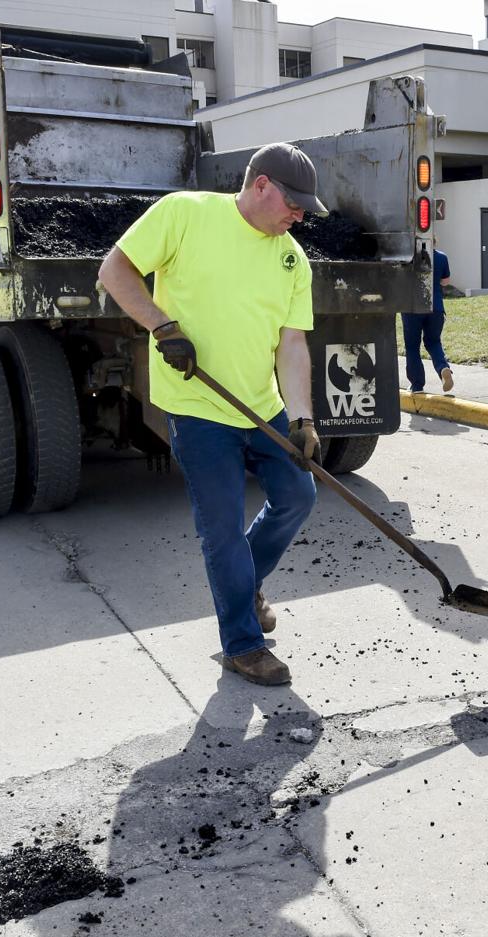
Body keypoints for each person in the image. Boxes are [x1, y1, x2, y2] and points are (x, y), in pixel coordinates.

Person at [98, 142, 326, 686]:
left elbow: (291, 344)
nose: (298, 215)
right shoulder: (186, 214)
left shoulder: (292, 257)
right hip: (199, 409)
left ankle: (244, 585)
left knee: (298, 494)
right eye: (293, 203)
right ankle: (243, 644)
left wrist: (302, 418)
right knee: (221, 529)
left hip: (260, 405)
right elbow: (115, 270)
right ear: (261, 184)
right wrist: (162, 326)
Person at [402, 244, 454, 393]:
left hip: (411, 307)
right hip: (436, 307)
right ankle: (443, 367)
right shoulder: (441, 257)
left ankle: (417, 384)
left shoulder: (406, 257)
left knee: (412, 346)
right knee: (433, 341)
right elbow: (446, 281)